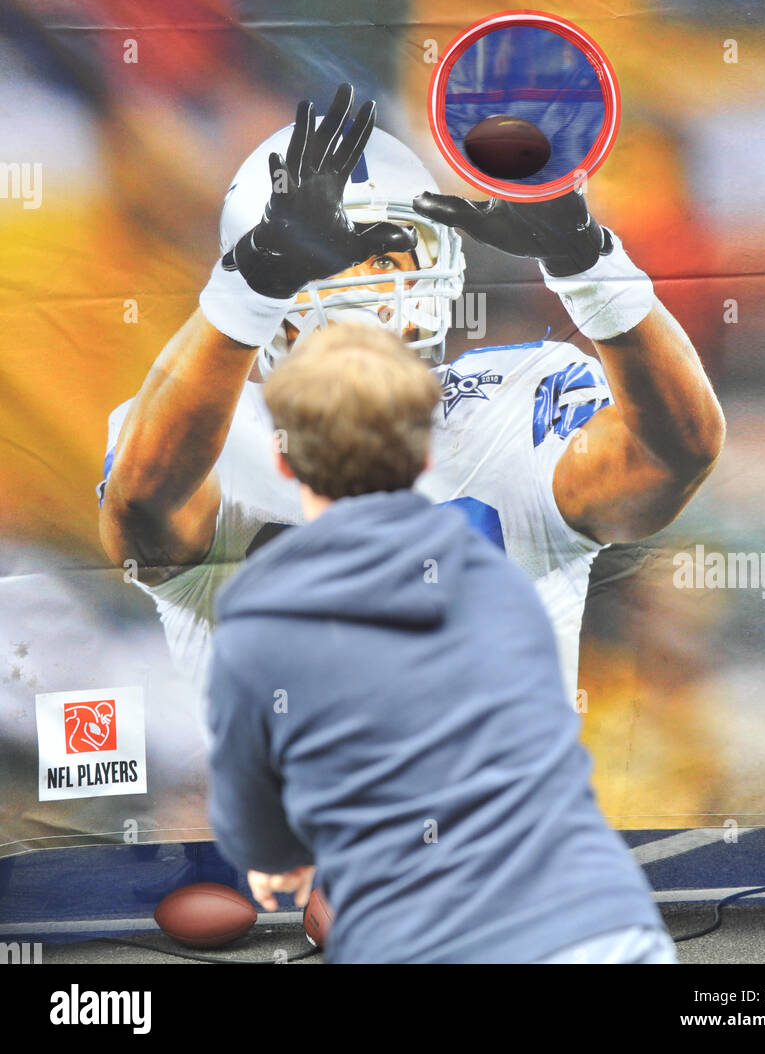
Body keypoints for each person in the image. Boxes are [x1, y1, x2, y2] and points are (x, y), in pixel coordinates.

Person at [98, 82, 724, 708]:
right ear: (267, 285)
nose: (372, 289)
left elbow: (677, 454)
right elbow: (143, 507)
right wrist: (249, 287)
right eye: (332, 257)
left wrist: (590, 266)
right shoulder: (204, 436)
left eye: (388, 257)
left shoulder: (512, 404)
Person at [206, 322, 677, 965]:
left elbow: (252, 822)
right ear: (428, 453)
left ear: (283, 461)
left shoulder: (260, 614)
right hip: (602, 918)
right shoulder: (497, 575)